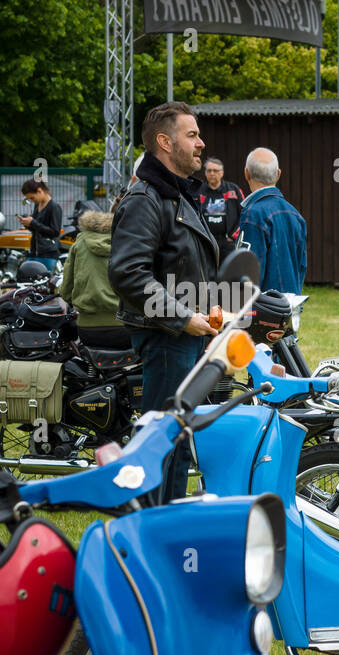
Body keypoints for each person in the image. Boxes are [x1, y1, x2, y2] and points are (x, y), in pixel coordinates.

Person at [108, 100, 218, 501]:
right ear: (164, 142)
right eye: (191, 135)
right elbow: (127, 274)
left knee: (177, 439)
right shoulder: (146, 199)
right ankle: (150, 526)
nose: (201, 144)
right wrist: (183, 317)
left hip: (185, 336)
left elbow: (188, 267)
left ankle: (169, 520)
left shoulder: (177, 195)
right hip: (167, 338)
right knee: (161, 442)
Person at [238, 147, 307, 295]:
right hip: (289, 306)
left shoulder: (253, 214)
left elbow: (248, 273)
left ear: (246, 174)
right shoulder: (295, 215)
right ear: (278, 174)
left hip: (263, 311)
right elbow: (301, 266)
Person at [58, 209, 127, 349]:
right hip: (124, 327)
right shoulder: (125, 242)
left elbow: (66, 291)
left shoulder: (79, 244)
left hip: (88, 328)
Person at [195, 156, 244, 261]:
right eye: (209, 170)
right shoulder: (198, 191)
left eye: (215, 170)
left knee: (228, 274)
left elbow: (245, 213)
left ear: (222, 173)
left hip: (228, 243)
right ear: (205, 173)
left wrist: (233, 236)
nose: (212, 173)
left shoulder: (233, 190)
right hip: (207, 242)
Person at [18, 179, 62, 271]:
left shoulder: (54, 207)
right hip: (34, 252)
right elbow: (37, 228)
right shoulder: (37, 205)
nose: (31, 201)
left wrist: (33, 222)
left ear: (39, 191)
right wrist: (28, 224)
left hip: (48, 254)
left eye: (32, 198)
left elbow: (55, 232)